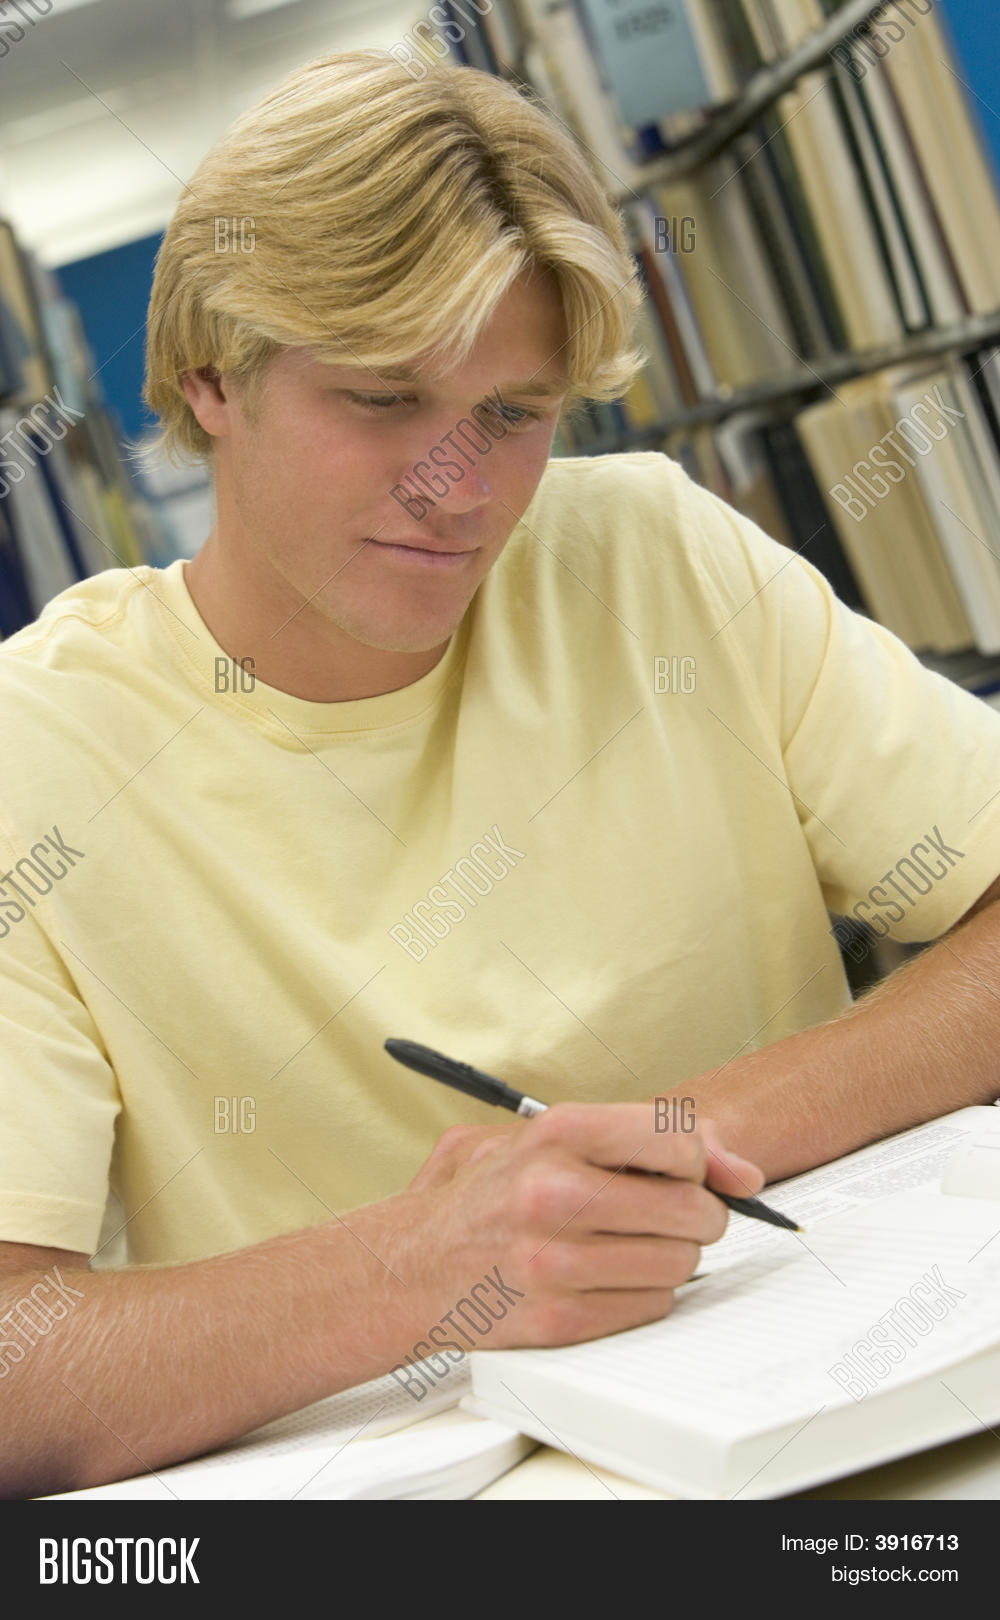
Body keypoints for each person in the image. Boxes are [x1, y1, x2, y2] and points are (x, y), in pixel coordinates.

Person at [1, 49, 998, 1500]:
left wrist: (691, 1144)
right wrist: (423, 1265)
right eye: (385, 401)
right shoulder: (34, 757)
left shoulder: (657, 553)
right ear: (212, 377)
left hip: (827, 1432)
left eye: (514, 415)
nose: (457, 490)